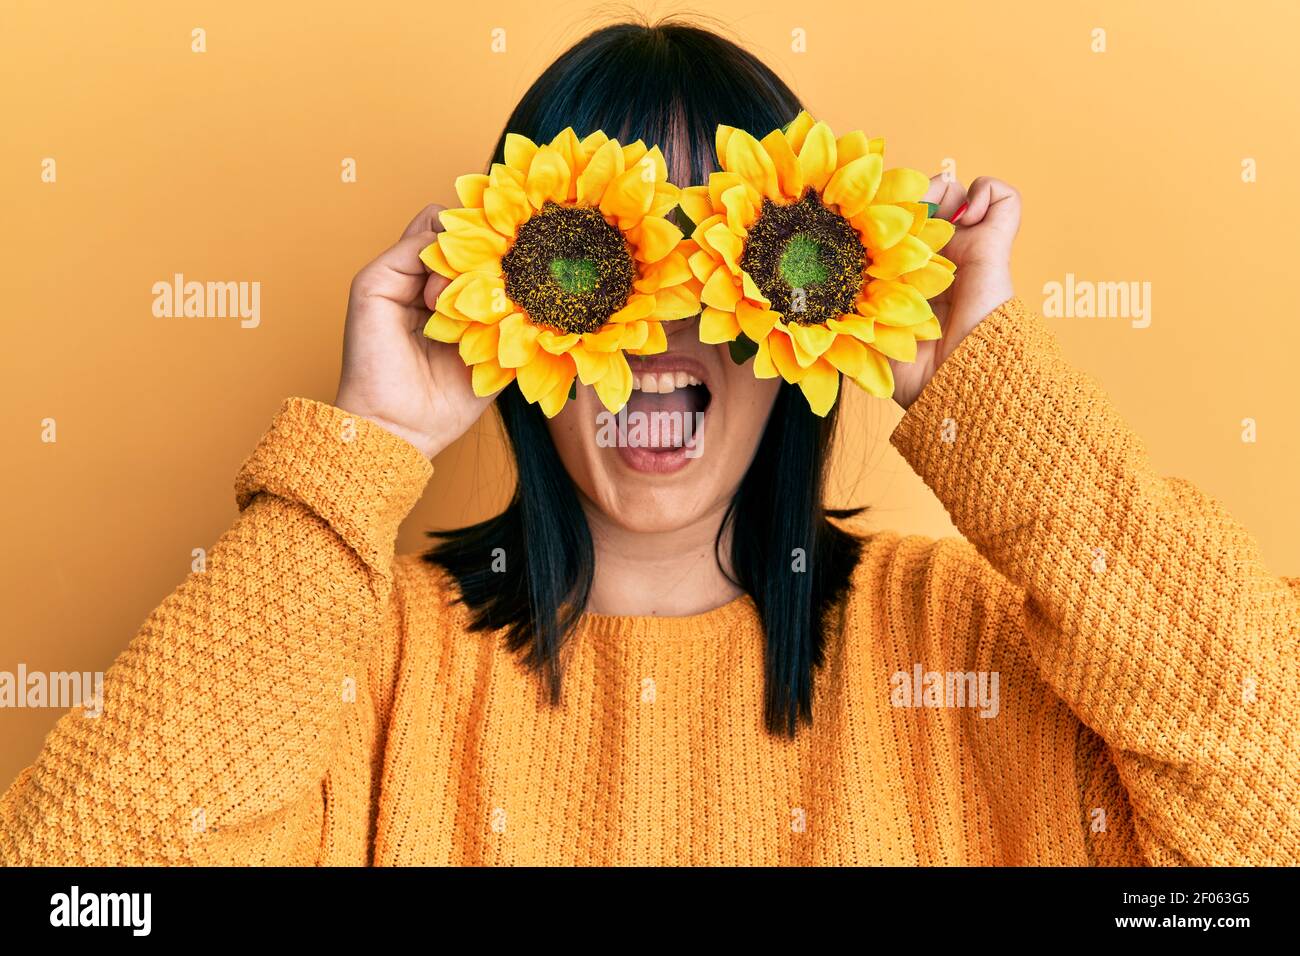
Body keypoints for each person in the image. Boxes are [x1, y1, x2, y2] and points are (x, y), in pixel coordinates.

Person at [2, 20, 1296, 866]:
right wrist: (367, 444)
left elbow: (1271, 798)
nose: (664, 332)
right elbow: (82, 885)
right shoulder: (371, 668)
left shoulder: (969, 650)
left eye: (718, 261)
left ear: (809, 316)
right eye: (601, 266)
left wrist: (979, 381)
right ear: (506, 302)